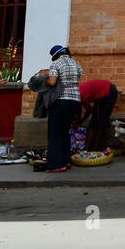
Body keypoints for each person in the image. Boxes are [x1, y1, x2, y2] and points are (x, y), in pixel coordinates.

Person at [44, 44, 83, 173]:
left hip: (61, 101)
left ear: (55, 56)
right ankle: (66, 161)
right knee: (65, 132)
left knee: (55, 133)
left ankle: (56, 165)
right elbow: (79, 78)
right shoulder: (75, 63)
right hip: (75, 101)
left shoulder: (56, 64)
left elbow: (53, 82)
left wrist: (45, 79)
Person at [78, 78, 118, 152]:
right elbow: (90, 111)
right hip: (99, 94)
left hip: (109, 91)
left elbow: (89, 110)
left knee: (102, 120)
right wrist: (80, 121)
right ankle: (86, 149)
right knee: (94, 120)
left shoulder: (81, 94)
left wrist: (81, 121)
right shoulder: (78, 96)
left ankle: (95, 148)